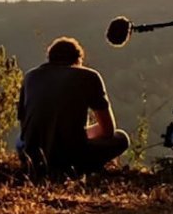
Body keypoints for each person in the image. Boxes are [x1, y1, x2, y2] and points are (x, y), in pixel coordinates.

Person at [16, 37, 130, 175]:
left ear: (49, 58)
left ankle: (39, 164)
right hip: (72, 157)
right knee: (121, 138)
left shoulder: (30, 77)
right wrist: (80, 134)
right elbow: (107, 130)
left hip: (33, 156)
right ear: (78, 59)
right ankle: (82, 167)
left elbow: (24, 128)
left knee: (19, 140)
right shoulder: (89, 76)